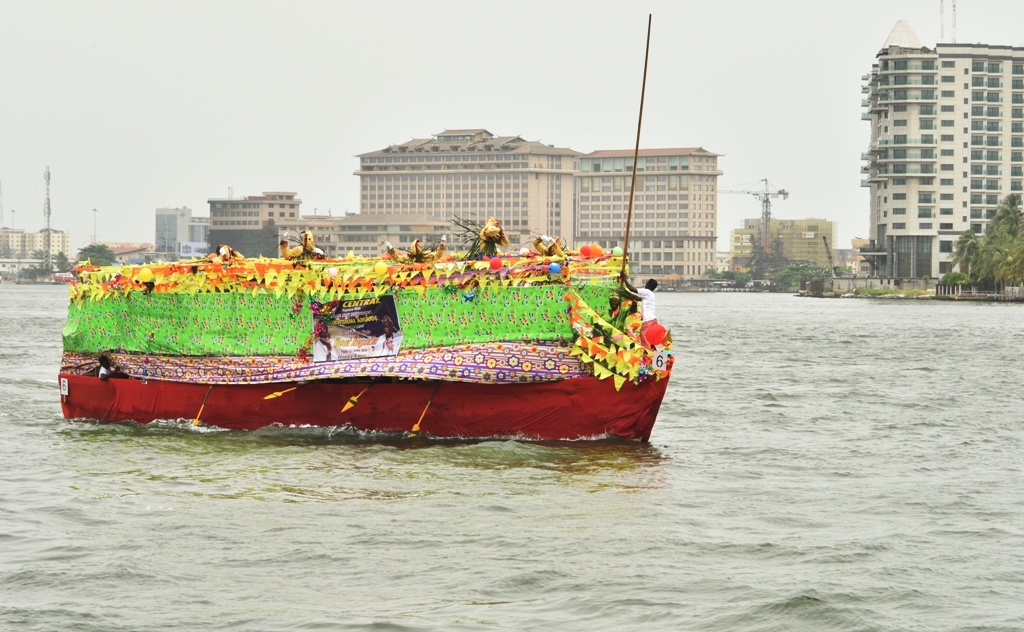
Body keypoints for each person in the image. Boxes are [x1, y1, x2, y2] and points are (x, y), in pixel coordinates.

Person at [620, 274, 659, 347]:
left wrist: (624, 279)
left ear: (648, 284)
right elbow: (636, 298)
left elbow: (632, 289)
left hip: (648, 320)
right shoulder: (650, 295)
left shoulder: (647, 292)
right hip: (653, 320)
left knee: (643, 336)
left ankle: (647, 352)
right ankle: (651, 351)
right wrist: (624, 292)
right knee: (649, 338)